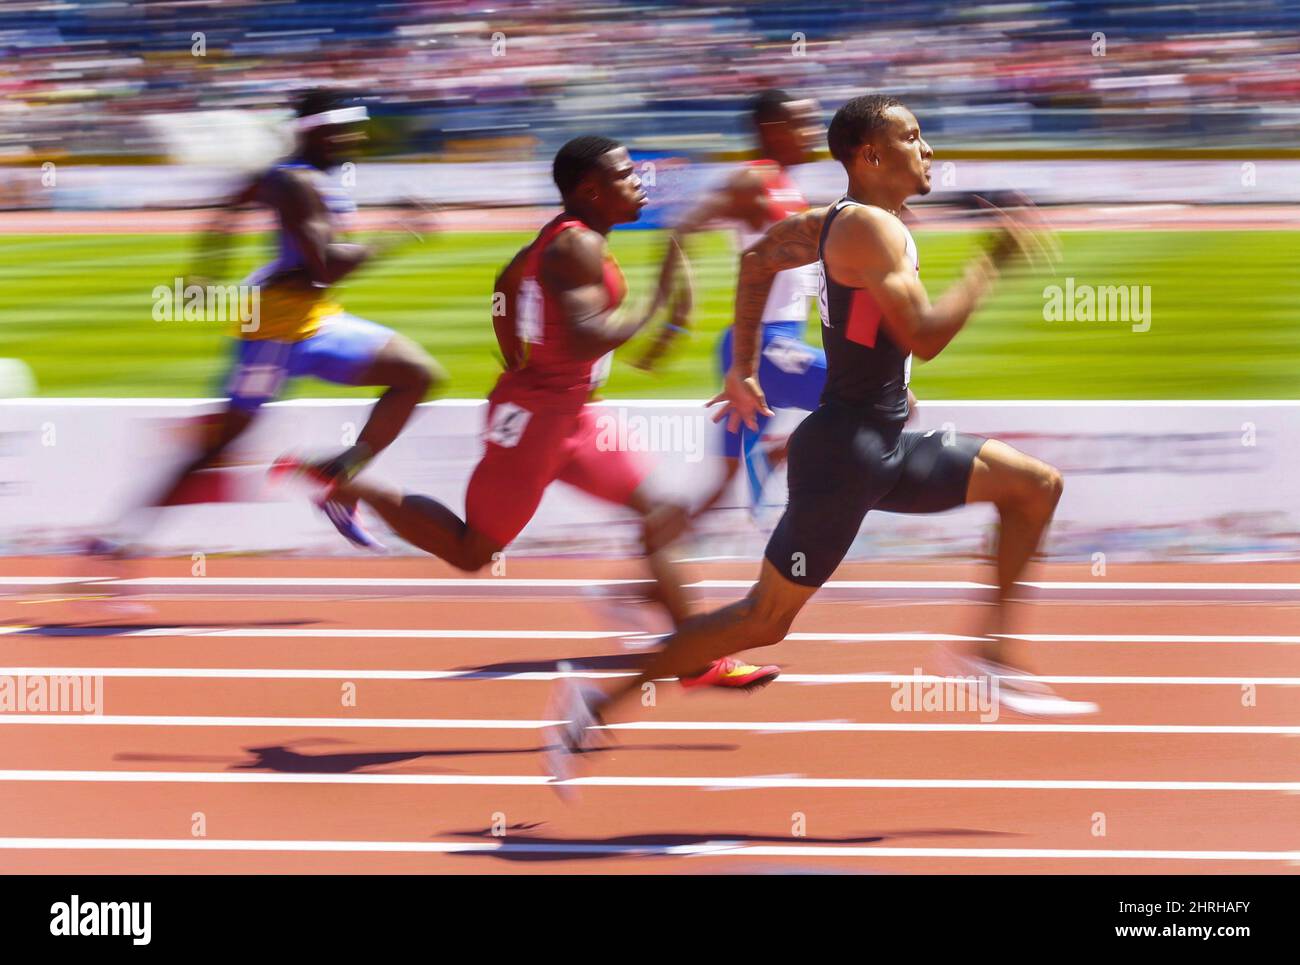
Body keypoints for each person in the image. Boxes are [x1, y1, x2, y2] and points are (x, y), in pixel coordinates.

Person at [549, 94, 1096, 772]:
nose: (929, 151)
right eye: (913, 137)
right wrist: (991, 263)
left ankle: (989, 652)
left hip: (883, 446)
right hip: (847, 456)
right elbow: (923, 338)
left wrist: (744, 368)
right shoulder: (869, 228)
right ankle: (598, 704)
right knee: (762, 620)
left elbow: (756, 262)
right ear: (869, 156)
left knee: (1034, 487)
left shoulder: (837, 220)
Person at [282, 135, 780, 691]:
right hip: (537, 419)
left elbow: (505, 284)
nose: (640, 181)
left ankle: (695, 654)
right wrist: (658, 300)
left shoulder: (568, 240)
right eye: (627, 175)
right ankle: (356, 487)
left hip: (576, 413)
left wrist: (519, 353)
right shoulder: (576, 247)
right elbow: (585, 335)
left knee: (659, 512)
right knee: (474, 550)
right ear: (591, 191)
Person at [99, 89, 441, 556]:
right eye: (347, 129)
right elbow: (326, 266)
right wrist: (396, 233)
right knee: (219, 446)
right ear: (319, 132)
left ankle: (335, 477)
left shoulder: (298, 177)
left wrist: (205, 274)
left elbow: (226, 214)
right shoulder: (295, 182)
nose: (356, 137)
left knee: (417, 374)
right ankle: (122, 539)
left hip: (315, 320)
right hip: (275, 332)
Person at [636, 90, 826, 516]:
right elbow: (679, 230)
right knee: (880, 401)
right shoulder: (752, 182)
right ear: (773, 130)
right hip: (765, 349)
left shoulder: (785, 184)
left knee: (722, 482)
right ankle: (776, 459)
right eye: (804, 124)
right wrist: (676, 319)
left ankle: (656, 555)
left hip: (766, 348)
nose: (815, 133)